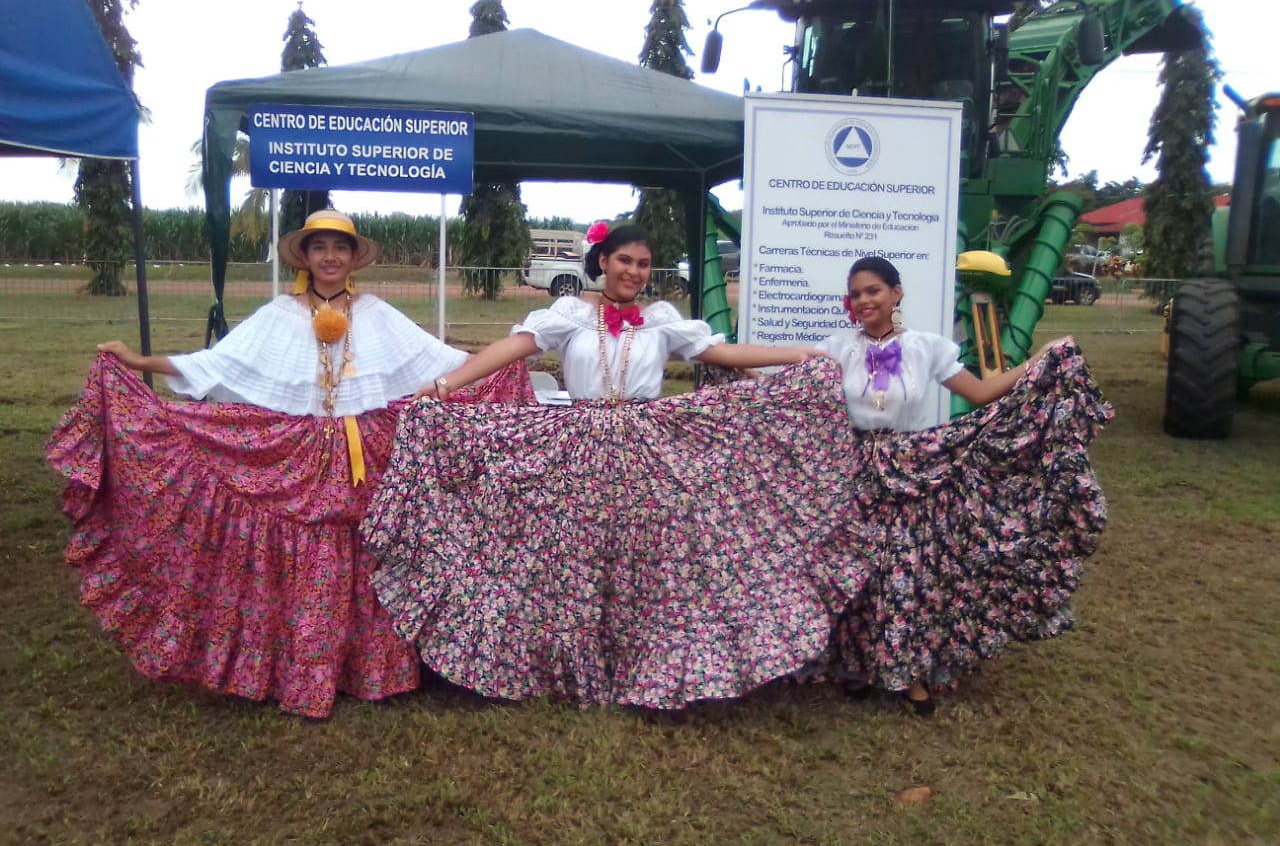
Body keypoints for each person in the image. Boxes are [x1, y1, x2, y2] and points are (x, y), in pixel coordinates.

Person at [47, 210, 531, 718]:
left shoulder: (377, 314)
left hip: (367, 448)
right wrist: (138, 363)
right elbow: (214, 364)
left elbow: (443, 362)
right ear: (305, 256)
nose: (329, 257)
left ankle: (370, 668)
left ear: (352, 258)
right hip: (294, 449)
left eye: (339, 248)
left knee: (365, 550)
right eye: (319, 247)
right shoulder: (279, 314)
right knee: (307, 551)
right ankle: (297, 669)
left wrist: (503, 360)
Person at [361, 222, 862, 710]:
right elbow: (511, 349)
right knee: (573, 563)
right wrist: (446, 386)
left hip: (648, 451)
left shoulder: (662, 319)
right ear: (602, 261)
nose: (634, 271)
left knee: (645, 562)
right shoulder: (569, 314)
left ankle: (646, 667)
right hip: (579, 451)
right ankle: (566, 668)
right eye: (625, 260)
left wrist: (797, 356)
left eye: (643, 264)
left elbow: (720, 351)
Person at [812, 255, 1112, 716]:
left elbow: (979, 394)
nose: (864, 300)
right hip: (851, 471)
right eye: (856, 294)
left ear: (896, 294)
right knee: (860, 569)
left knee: (907, 572)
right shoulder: (836, 349)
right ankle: (860, 664)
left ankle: (908, 673)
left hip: (912, 467)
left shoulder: (928, 348)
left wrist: (1038, 363)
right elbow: (789, 392)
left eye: (873, 290)